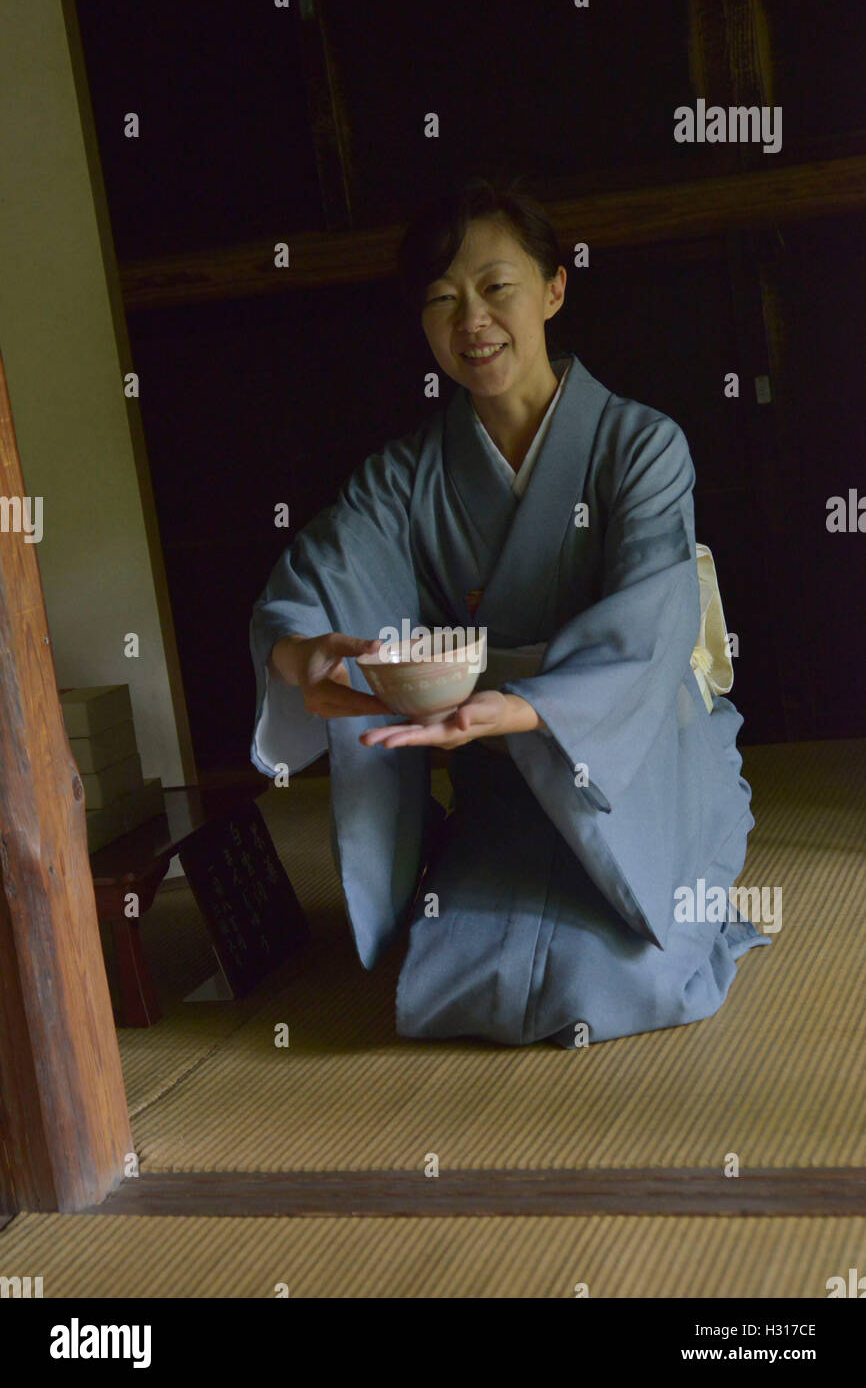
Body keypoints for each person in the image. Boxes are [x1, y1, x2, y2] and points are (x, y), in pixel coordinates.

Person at [249, 177, 770, 1048]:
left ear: (554, 288)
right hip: (501, 781)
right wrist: (303, 657)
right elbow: (320, 573)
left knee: (625, 977)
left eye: (497, 287)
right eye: (443, 301)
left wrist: (532, 706)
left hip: (636, 768)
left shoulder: (640, 446)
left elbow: (654, 619)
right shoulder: (407, 476)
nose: (473, 322)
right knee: (460, 985)